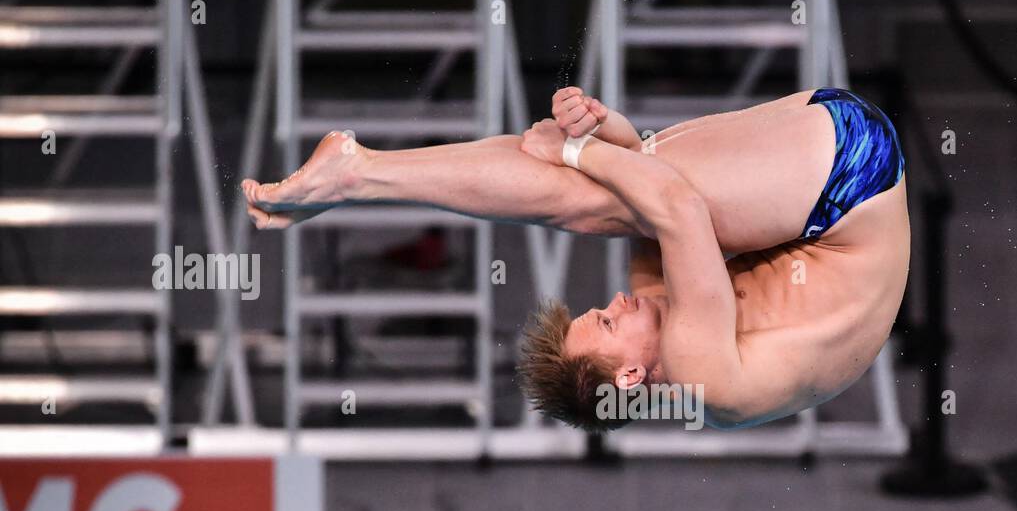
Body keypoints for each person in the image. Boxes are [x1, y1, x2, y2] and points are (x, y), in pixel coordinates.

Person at [243, 87, 909, 432]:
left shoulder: (656, 305)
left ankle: (363, 172)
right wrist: (572, 151)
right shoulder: (709, 377)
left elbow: (643, 168)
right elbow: (676, 205)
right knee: (585, 199)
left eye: (603, 311)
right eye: (609, 322)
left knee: (604, 194)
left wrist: (601, 127)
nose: (617, 302)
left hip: (832, 162)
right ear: (629, 378)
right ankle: (359, 175)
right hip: (849, 178)